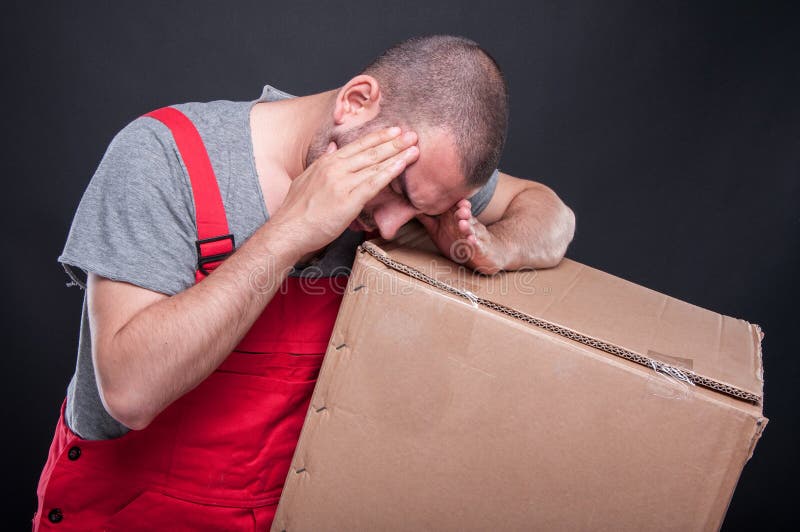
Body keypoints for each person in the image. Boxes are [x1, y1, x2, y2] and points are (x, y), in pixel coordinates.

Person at [34, 35, 575, 530]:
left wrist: (494, 247)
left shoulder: (423, 169)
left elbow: (553, 215)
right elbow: (129, 392)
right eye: (398, 190)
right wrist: (291, 231)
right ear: (356, 101)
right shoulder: (161, 156)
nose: (392, 226)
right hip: (122, 511)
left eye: (421, 213)